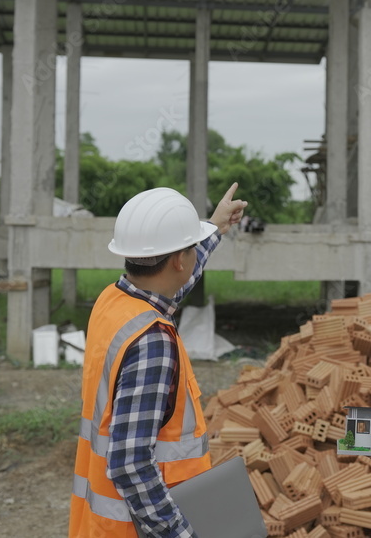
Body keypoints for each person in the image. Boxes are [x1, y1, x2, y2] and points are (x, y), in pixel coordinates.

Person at [69, 184, 247, 538]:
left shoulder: (113, 301)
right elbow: (131, 465)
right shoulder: (151, 341)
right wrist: (182, 534)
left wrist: (213, 227)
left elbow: (173, 283)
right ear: (179, 259)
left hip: (100, 524)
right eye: (191, 247)